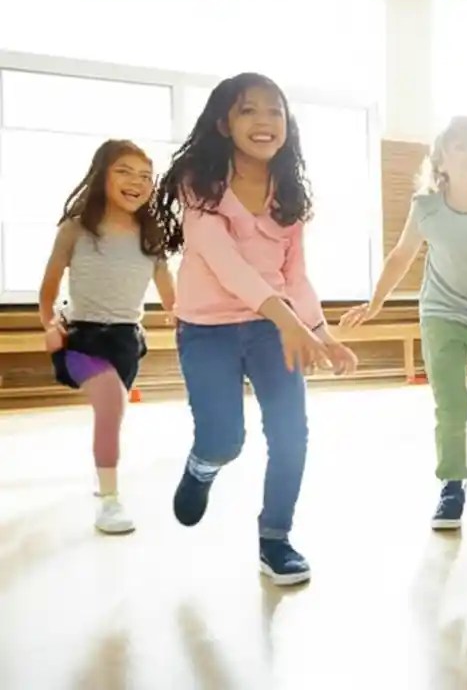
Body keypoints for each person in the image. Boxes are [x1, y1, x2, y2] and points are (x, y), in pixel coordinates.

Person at [157, 73, 359, 586]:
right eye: (250, 111)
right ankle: (203, 466)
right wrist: (291, 320)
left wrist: (320, 329)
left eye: (276, 111)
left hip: (274, 328)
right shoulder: (199, 184)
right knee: (225, 439)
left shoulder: (288, 193)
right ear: (225, 122)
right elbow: (226, 264)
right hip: (208, 329)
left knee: (291, 435)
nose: (265, 121)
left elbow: (295, 275)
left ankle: (276, 538)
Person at [341, 116, 467, 530]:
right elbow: (401, 255)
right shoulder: (426, 207)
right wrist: (375, 302)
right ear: (442, 157)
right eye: (462, 146)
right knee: (451, 404)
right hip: (441, 315)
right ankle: (452, 483)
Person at [37, 140, 180, 534]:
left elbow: (171, 294)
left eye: (146, 176)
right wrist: (50, 325)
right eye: (125, 171)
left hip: (125, 342)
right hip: (82, 339)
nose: (137, 181)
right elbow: (47, 290)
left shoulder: (151, 237)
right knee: (113, 402)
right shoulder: (76, 229)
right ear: (103, 175)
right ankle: (110, 501)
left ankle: (103, 474)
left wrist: (183, 318)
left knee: (113, 413)